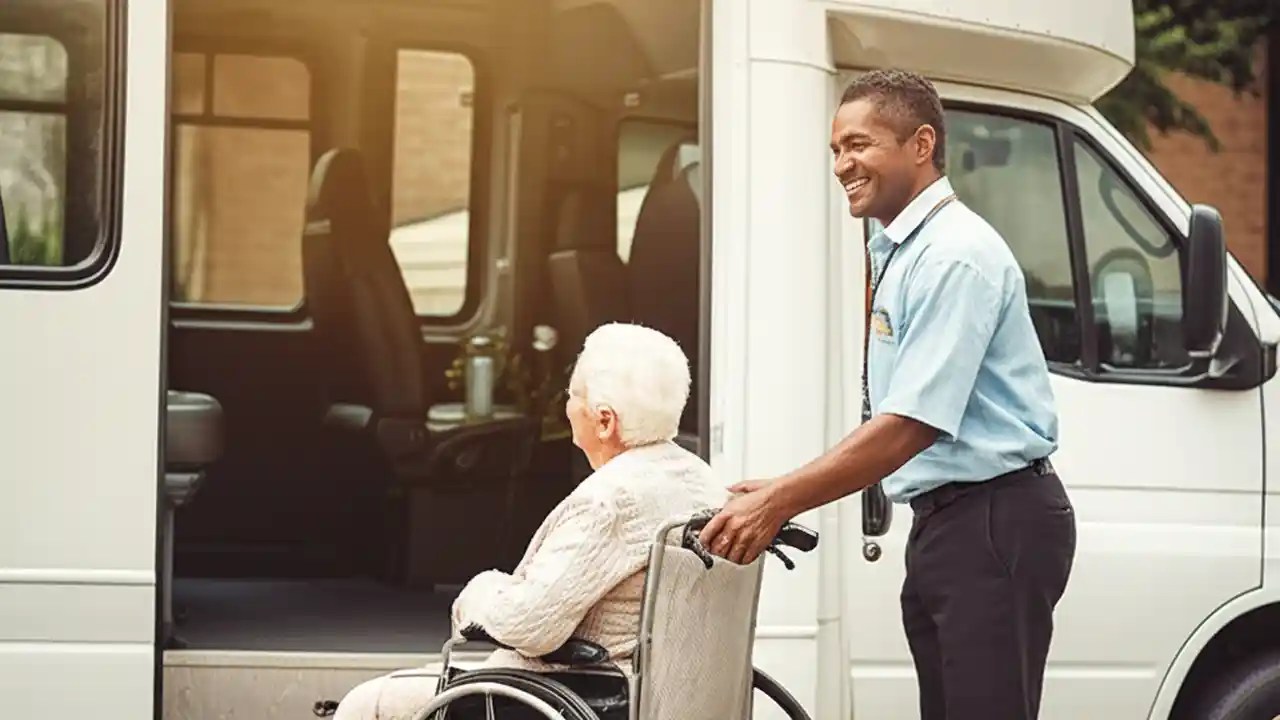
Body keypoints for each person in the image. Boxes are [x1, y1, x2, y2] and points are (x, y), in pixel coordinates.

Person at [698, 68, 1076, 720]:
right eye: (836, 150)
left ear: (921, 144)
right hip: (950, 522)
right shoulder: (902, 246)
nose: (843, 163)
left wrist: (779, 500)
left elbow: (910, 424)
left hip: (991, 522)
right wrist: (778, 490)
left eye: (860, 144)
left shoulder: (954, 256)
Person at [333, 322, 728, 720]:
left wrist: (479, 592)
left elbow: (531, 626)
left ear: (604, 421)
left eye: (573, 396)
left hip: (576, 697)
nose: (568, 407)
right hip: (671, 697)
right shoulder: (703, 482)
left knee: (368, 704)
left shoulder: (609, 502)